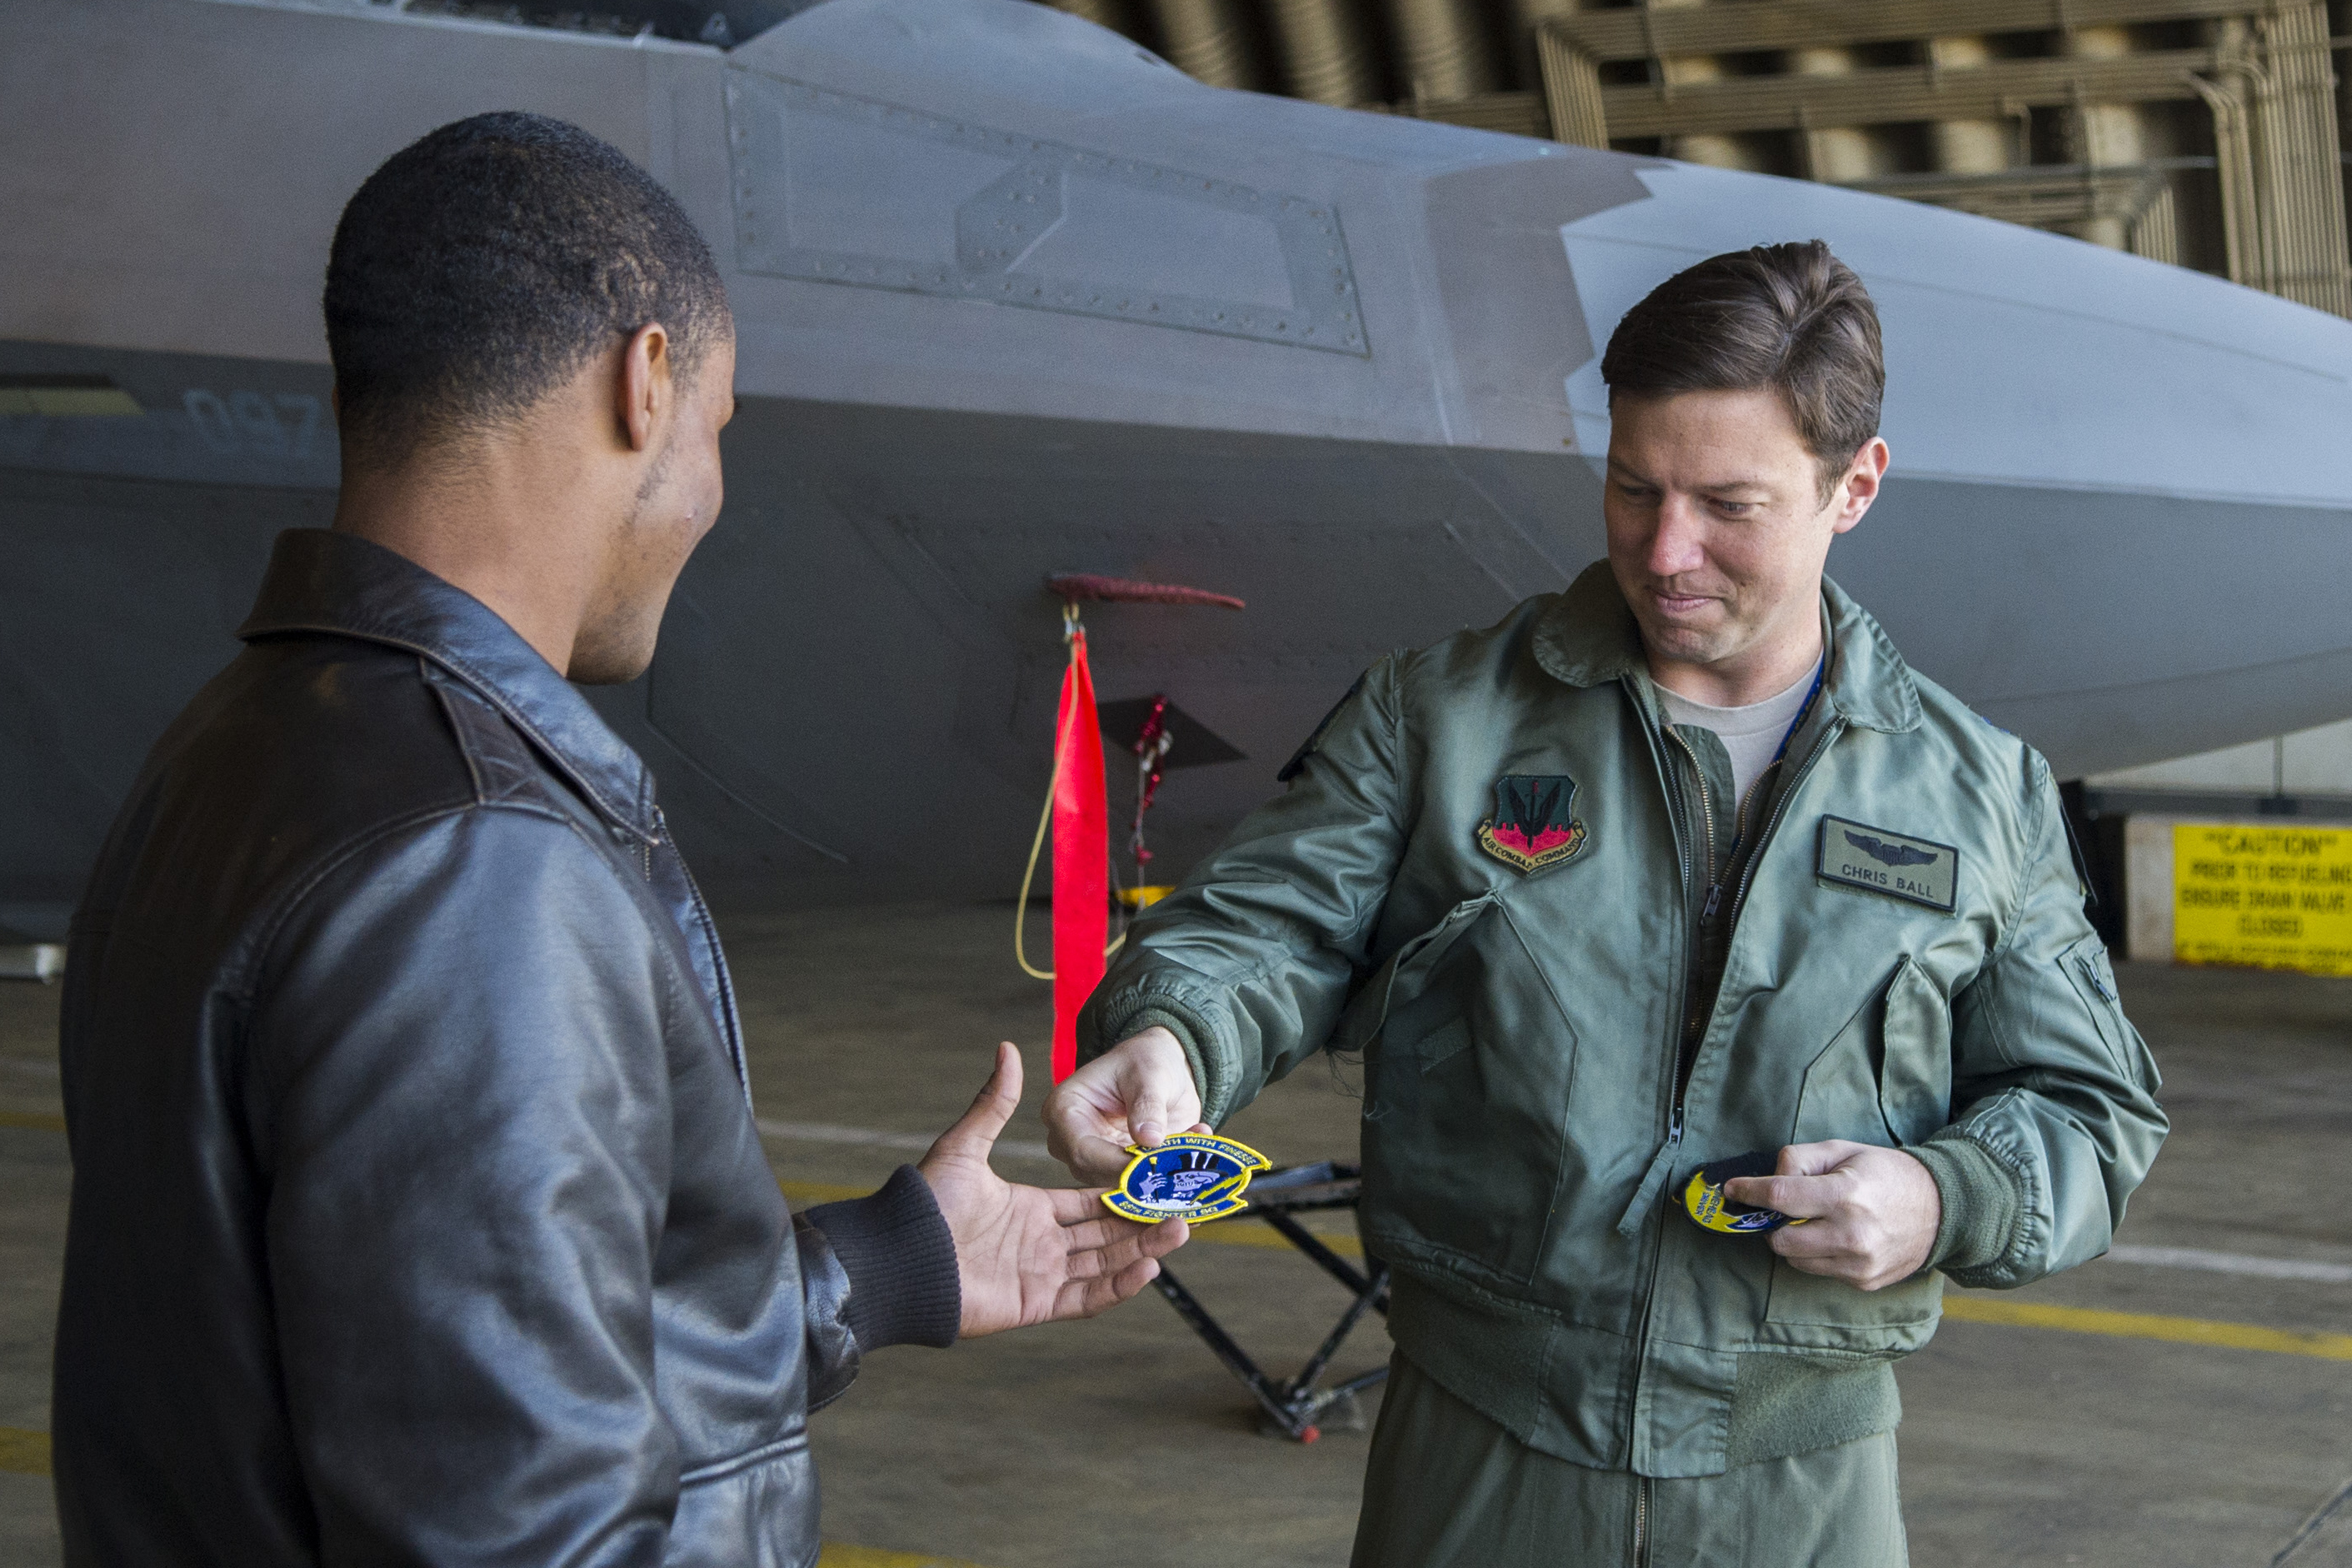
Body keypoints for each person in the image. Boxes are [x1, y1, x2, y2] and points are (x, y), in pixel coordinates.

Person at [51, 113, 1185, 1567]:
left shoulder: (231, 754)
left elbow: (416, 1354)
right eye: (719, 427)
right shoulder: (472, 863)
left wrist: (880, 1272)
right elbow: (515, 1530)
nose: (710, 496)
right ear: (644, 383)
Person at [1046, 241, 2166, 1565]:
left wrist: (1945, 1195)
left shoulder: (1979, 792)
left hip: (1797, 1486)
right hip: (1483, 1454)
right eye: (1635, 488)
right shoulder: (1443, 717)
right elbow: (1271, 924)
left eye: (1728, 504)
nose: (1665, 549)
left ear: (1854, 485)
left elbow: (2090, 1111)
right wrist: (1174, 1033)